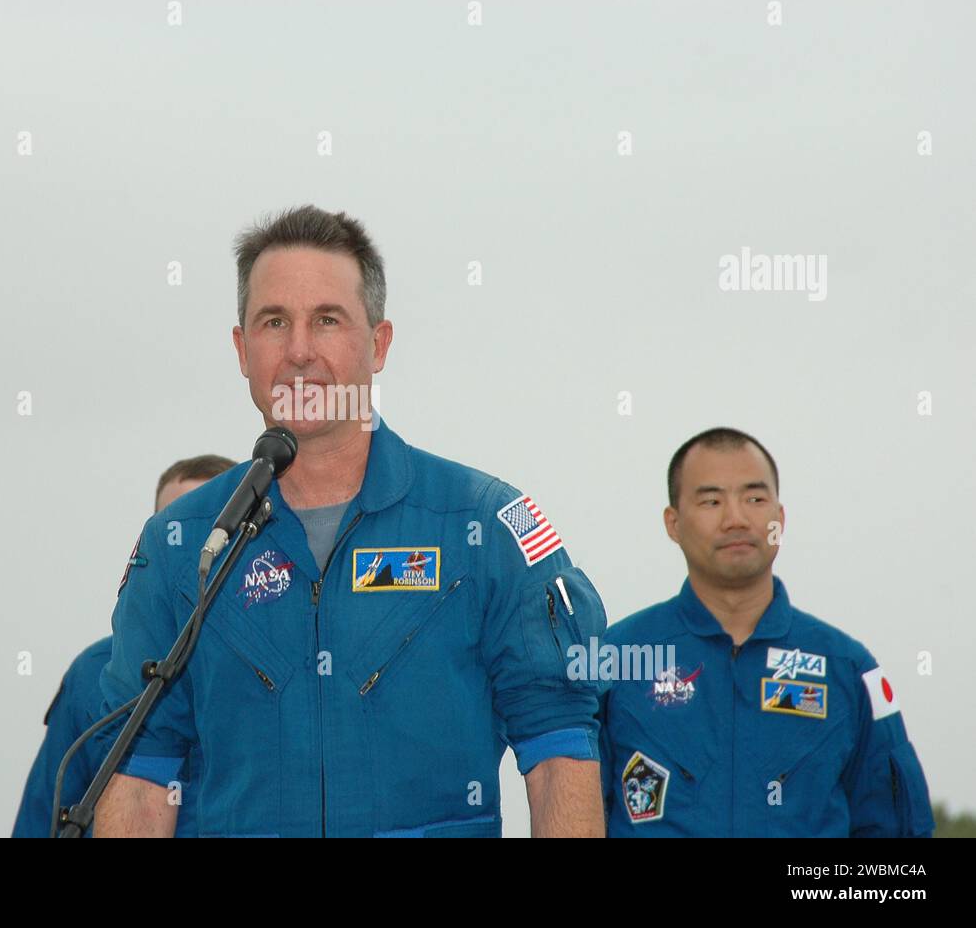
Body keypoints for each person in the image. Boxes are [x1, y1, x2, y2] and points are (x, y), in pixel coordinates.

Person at [95, 205, 607, 837]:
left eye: (327, 320)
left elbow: (560, 752)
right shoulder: (181, 545)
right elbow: (142, 780)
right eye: (273, 322)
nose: (300, 351)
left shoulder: (485, 527)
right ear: (241, 349)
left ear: (379, 343)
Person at [599, 428, 933, 836]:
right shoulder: (617, 661)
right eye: (711, 500)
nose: (736, 518)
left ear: (779, 519)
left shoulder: (848, 669)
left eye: (755, 499)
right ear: (673, 523)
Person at [12, 454, 235, 838]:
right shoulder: (95, 672)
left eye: (208, 532)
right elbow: (42, 821)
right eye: (176, 531)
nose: (195, 551)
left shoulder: (270, 669)